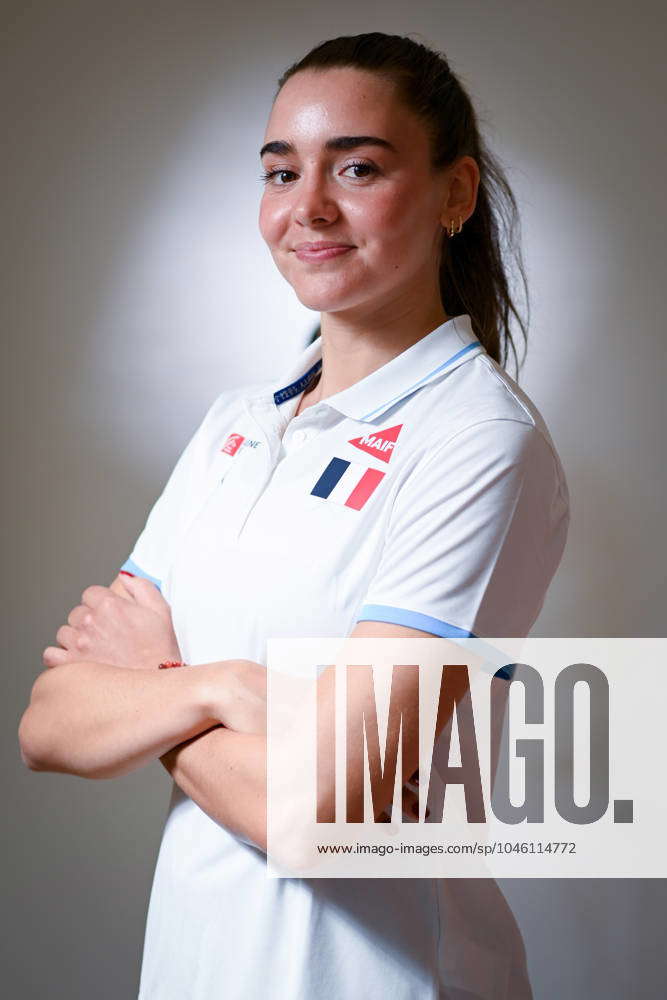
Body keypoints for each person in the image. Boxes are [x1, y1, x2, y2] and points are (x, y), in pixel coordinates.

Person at [19, 32, 570, 1000]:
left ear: (455, 193)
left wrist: (160, 691)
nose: (307, 207)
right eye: (281, 171)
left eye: (356, 166)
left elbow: (318, 813)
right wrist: (228, 688)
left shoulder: (478, 437)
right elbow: (52, 722)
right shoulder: (237, 424)